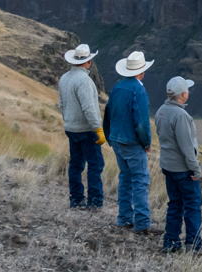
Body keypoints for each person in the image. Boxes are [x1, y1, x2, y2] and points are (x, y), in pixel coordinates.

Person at [102, 50, 160, 235]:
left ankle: (124, 218)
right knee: (140, 180)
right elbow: (141, 122)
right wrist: (147, 143)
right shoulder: (139, 90)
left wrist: (110, 137)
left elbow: (108, 114)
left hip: (117, 140)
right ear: (141, 71)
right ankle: (142, 223)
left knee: (125, 178)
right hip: (132, 142)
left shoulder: (117, 87)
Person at [155, 75, 202, 253]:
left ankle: (171, 242)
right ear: (183, 94)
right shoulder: (181, 115)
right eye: (187, 90)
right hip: (183, 169)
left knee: (175, 204)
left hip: (168, 166)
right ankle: (193, 244)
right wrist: (195, 169)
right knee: (193, 205)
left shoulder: (161, 110)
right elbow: (187, 147)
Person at [57, 43, 106, 210]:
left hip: (71, 128)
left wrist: (67, 121)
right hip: (86, 130)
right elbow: (89, 108)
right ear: (88, 61)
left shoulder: (64, 78)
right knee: (95, 164)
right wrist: (98, 128)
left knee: (76, 165)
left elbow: (62, 104)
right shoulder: (84, 80)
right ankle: (95, 202)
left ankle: (76, 199)